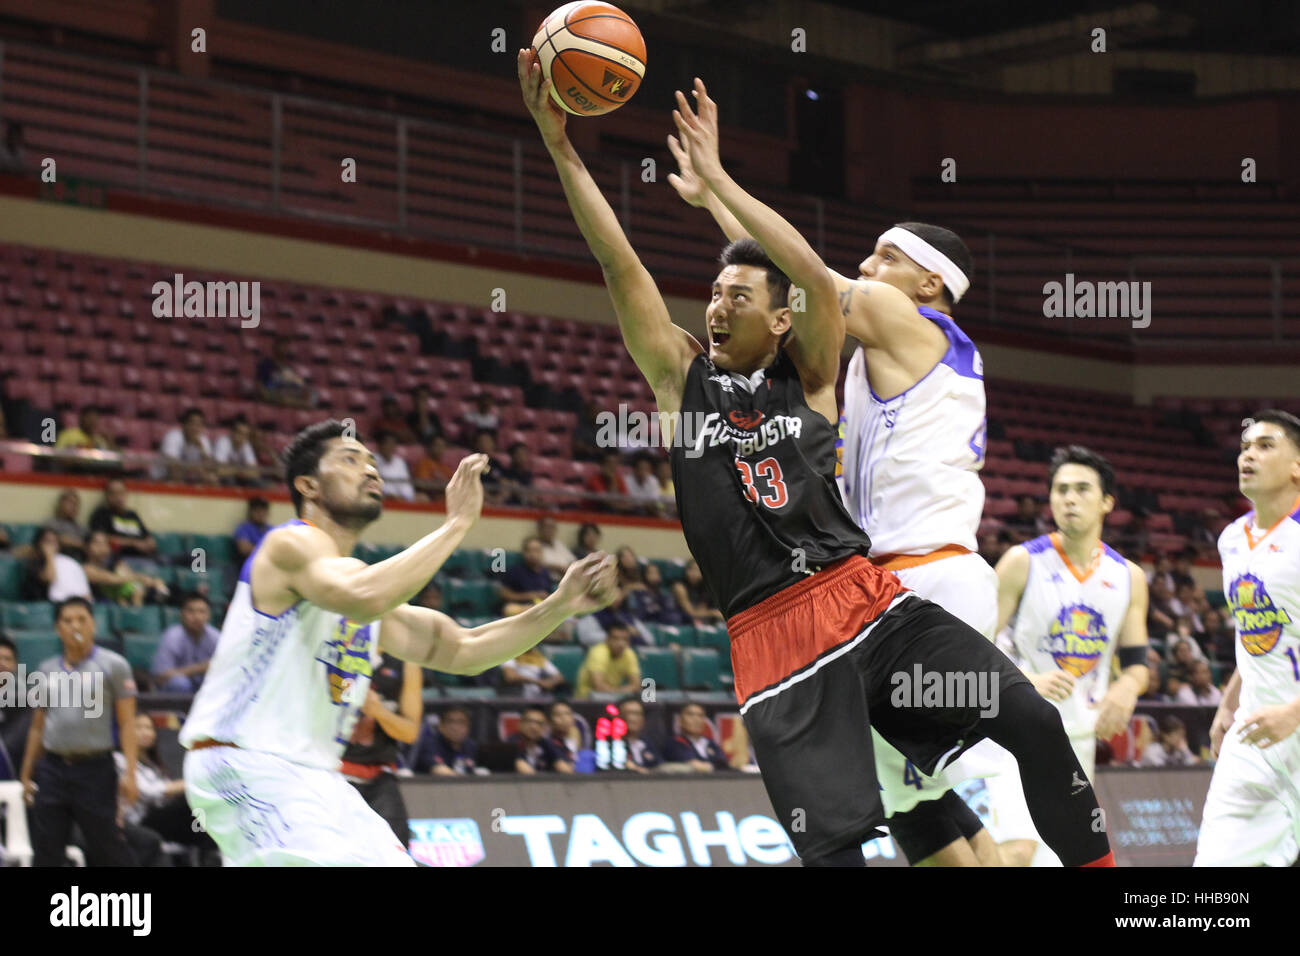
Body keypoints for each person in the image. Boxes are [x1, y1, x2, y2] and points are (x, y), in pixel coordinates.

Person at [522, 55, 1114, 867]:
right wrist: (561, 148)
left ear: (782, 320)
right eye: (715, 293)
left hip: (876, 595)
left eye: (739, 296)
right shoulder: (682, 379)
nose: (718, 303)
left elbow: (804, 276)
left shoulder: (820, 373)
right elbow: (621, 262)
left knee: (1022, 730)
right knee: (878, 822)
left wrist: (720, 184)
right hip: (776, 631)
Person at [178, 419, 617, 865]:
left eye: (372, 462)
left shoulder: (363, 588)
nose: (371, 470)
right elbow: (364, 595)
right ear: (308, 485)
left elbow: (464, 650)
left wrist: (559, 606)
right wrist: (457, 524)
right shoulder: (290, 544)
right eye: (350, 460)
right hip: (246, 760)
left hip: (320, 778)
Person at [990, 446, 1150, 866]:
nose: (1069, 499)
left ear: (1107, 502)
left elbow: (1138, 663)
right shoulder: (1021, 562)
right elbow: (972, 646)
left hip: (1079, 738)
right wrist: (1024, 682)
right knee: (1017, 851)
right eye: (1061, 490)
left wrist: (1127, 688)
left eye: (1081, 489)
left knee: (1057, 860)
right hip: (1018, 731)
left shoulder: (1128, 576)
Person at [1196, 412, 1300, 867]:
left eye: (1265, 445)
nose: (1248, 455)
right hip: (1255, 736)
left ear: (1297, 467)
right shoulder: (1231, 540)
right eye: (1244, 447)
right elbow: (1254, 634)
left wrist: (1294, 713)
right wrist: (1228, 703)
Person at [19, 597, 138, 866]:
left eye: (82, 619)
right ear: (57, 628)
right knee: (47, 848)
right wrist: (26, 773)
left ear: (93, 625)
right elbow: (37, 726)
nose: (75, 626)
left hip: (95, 769)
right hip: (52, 769)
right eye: (68, 620)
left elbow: (128, 723)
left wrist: (131, 773)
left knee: (106, 845)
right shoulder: (46, 669)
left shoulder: (114, 665)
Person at [340, 650, 423, 851]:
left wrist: (377, 710)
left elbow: (410, 733)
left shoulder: (406, 662)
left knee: (397, 854)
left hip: (378, 779)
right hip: (332, 774)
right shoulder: (335, 648)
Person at [115, 713, 218, 864]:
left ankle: (212, 857)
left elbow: (168, 795)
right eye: (139, 728)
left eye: (149, 728)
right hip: (139, 822)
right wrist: (189, 784)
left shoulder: (154, 765)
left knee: (204, 825)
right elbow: (147, 792)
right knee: (189, 803)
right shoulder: (119, 760)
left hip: (162, 819)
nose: (145, 732)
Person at [151, 592, 220, 692]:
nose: (197, 617)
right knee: (179, 683)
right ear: (182, 614)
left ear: (209, 615)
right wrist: (200, 668)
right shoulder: (172, 636)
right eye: (191, 611)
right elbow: (161, 676)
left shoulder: (216, 637)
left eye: (202, 612)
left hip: (205, 689)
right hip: (173, 692)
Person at [83, 530, 168, 607]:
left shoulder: (114, 562)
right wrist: (141, 578)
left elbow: (129, 574)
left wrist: (152, 581)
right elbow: (113, 579)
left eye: (105, 544)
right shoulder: (86, 568)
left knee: (145, 587)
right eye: (97, 544)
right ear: (86, 547)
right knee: (136, 590)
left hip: (122, 599)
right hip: (103, 604)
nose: (103, 547)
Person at [88, 479, 158, 564]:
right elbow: (100, 538)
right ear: (107, 496)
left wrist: (150, 543)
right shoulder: (101, 514)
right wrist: (133, 543)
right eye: (114, 493)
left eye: (121, 493)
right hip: (119, 559)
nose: (118, 497)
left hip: (146, 557)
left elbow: (147, 536)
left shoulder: (132, 515)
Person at [22, 527, 92, 602]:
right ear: (39, 543)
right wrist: (49, 556)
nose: (51, 545)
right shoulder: (33, 562)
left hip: (64, 601)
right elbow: (49, 578)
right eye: (48, 541)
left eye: (55, 542)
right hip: (40, 602)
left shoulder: (64, 562)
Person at [575, 624, 640, 698]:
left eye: (625, 639)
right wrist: (622, 691)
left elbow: (636, 685)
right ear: (607, 639)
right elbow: (598, 686)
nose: (620, 643)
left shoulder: (629, 653)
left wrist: (618, 692)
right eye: (615, 639)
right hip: (587, 699)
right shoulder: (598, 652)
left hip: (613, 697)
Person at [411, 706, 478, 776]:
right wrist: (462, 780)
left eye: (461, 722)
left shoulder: (471, 746)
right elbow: (438, 769)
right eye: (450, 722)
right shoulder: (429, 744)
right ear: (440, 726)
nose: (455, 728)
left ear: (468, 726)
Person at [0, 635, 32, 781]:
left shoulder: (27, 701)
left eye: (7, 659)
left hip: (15, 775)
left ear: (15, 665)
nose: (2, 663)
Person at [156, 407, 216, 483]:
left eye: (199, 425)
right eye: (193, 424)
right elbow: (173, 468)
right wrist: (198, 471)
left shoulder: (203, 440)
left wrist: (201, 449)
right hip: (161, 479)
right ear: (184, 425)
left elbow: (210, 468)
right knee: (176, 475)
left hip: (189, 479)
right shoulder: (173, 437)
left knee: (212, 479)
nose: (196, 428)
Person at [662, 703, 729, 771]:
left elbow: (723, 762)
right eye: (690, 715)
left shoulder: (710, 743)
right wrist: (714, 766)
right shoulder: (675, 743)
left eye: (700, 716)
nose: (696, 719)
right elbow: (695, 765)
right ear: (680, 720)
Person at [498, 537, 555, 616]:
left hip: (540, 606)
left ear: (541, 553)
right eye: (529, 550)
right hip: (521, 607)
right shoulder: (515, 571)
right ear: (524, 552)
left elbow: (549, 594)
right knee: (509, 609)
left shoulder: (545, 573)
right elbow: (504, 594)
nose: (533, 554)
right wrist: (529, 596)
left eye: (536, 550)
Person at [256, 336, 312, 409]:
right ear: (275, 347)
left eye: (286, 346)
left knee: (310, 396)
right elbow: (259, 385)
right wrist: (267, 396)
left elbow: (296, 385)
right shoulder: (266, 364)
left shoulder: (289, 368)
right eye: (282, 345)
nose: (284, 349)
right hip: (273, 395)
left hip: (287, 395)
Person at [510, 707, 570, 774]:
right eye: (529, 721)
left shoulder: (546, 743)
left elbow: (564, 767)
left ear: (545, 728)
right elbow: (522, 768)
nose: (533, 727)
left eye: (539, 723)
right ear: (520, 724)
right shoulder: (512, 743)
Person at [670, 559, 724, 625]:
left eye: (697, 570)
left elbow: (702, 609)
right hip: (680, 619)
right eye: (690, 569)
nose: (693, 573)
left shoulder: (704, 587)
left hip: (700, 621)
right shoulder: (679, 587)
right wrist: (713, 613)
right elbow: (690, 612)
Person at [213, 415, 262, 485]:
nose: (242, 437)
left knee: (258, 482)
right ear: (232, 432)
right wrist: (241, 471)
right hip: (224, 478)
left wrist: (236, 471)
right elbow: (218, 470)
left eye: (245, 435)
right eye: (240, 433)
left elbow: (255, 472)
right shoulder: (223, 442)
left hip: (240, 477)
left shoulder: (246, 445)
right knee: (230, 480)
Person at [618, 696, 660, 773]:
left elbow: (659, 765)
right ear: (619, 716)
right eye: (629, 713)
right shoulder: (611, 744)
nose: (633, 719)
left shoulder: (648, 742)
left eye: (638, 714)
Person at [44, 488, 89, 560]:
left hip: (78, 560)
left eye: (76, 504)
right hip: (56, 558)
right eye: (70, 503)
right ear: (61, 504)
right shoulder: (51, 523)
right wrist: (79, 544)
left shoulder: (82, 527)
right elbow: (53, 540)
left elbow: (88, 545)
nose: (74, 507)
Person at [373, 431, 415, 501]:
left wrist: (406, 497)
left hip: (399, 498)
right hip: (381, 497)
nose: (390, 447)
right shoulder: (372, 460)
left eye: (393, 444)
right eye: (388, 444)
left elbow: (406, 484)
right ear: (380, 445)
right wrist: (389, 495)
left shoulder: (400, 462)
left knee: (422, 498)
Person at [412, 434, 455, 500]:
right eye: (438, 446)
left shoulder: (445, 467)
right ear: (430, 447)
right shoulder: (424, 464)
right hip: (431, 499)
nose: (440, 449)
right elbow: (423, 485)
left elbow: (453, 484)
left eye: (443, 446)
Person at [536, 514, 576, 582]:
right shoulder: (536, 544)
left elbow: (573, 560)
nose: (550, 530)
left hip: (568, 579)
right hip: (550, 582)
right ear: (540, 529)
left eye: (552, 527)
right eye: (547, 527)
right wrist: (558, 568)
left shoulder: (559, 544)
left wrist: (569, 569)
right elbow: (537, 563)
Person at [547, 700, 584, 771]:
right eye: (558, 715)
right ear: (550, 721)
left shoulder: (576, 736)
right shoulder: (548, 744)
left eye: (567, 714)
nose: (564, 718)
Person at [233, 497, 272, 561]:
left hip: (269, 562)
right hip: (249, 562)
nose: (261, 514)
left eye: (264, 511)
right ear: (251, 512)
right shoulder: (244, 528)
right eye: (258, 511)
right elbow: (244, 549)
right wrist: (267, 551)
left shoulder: (271, 529)